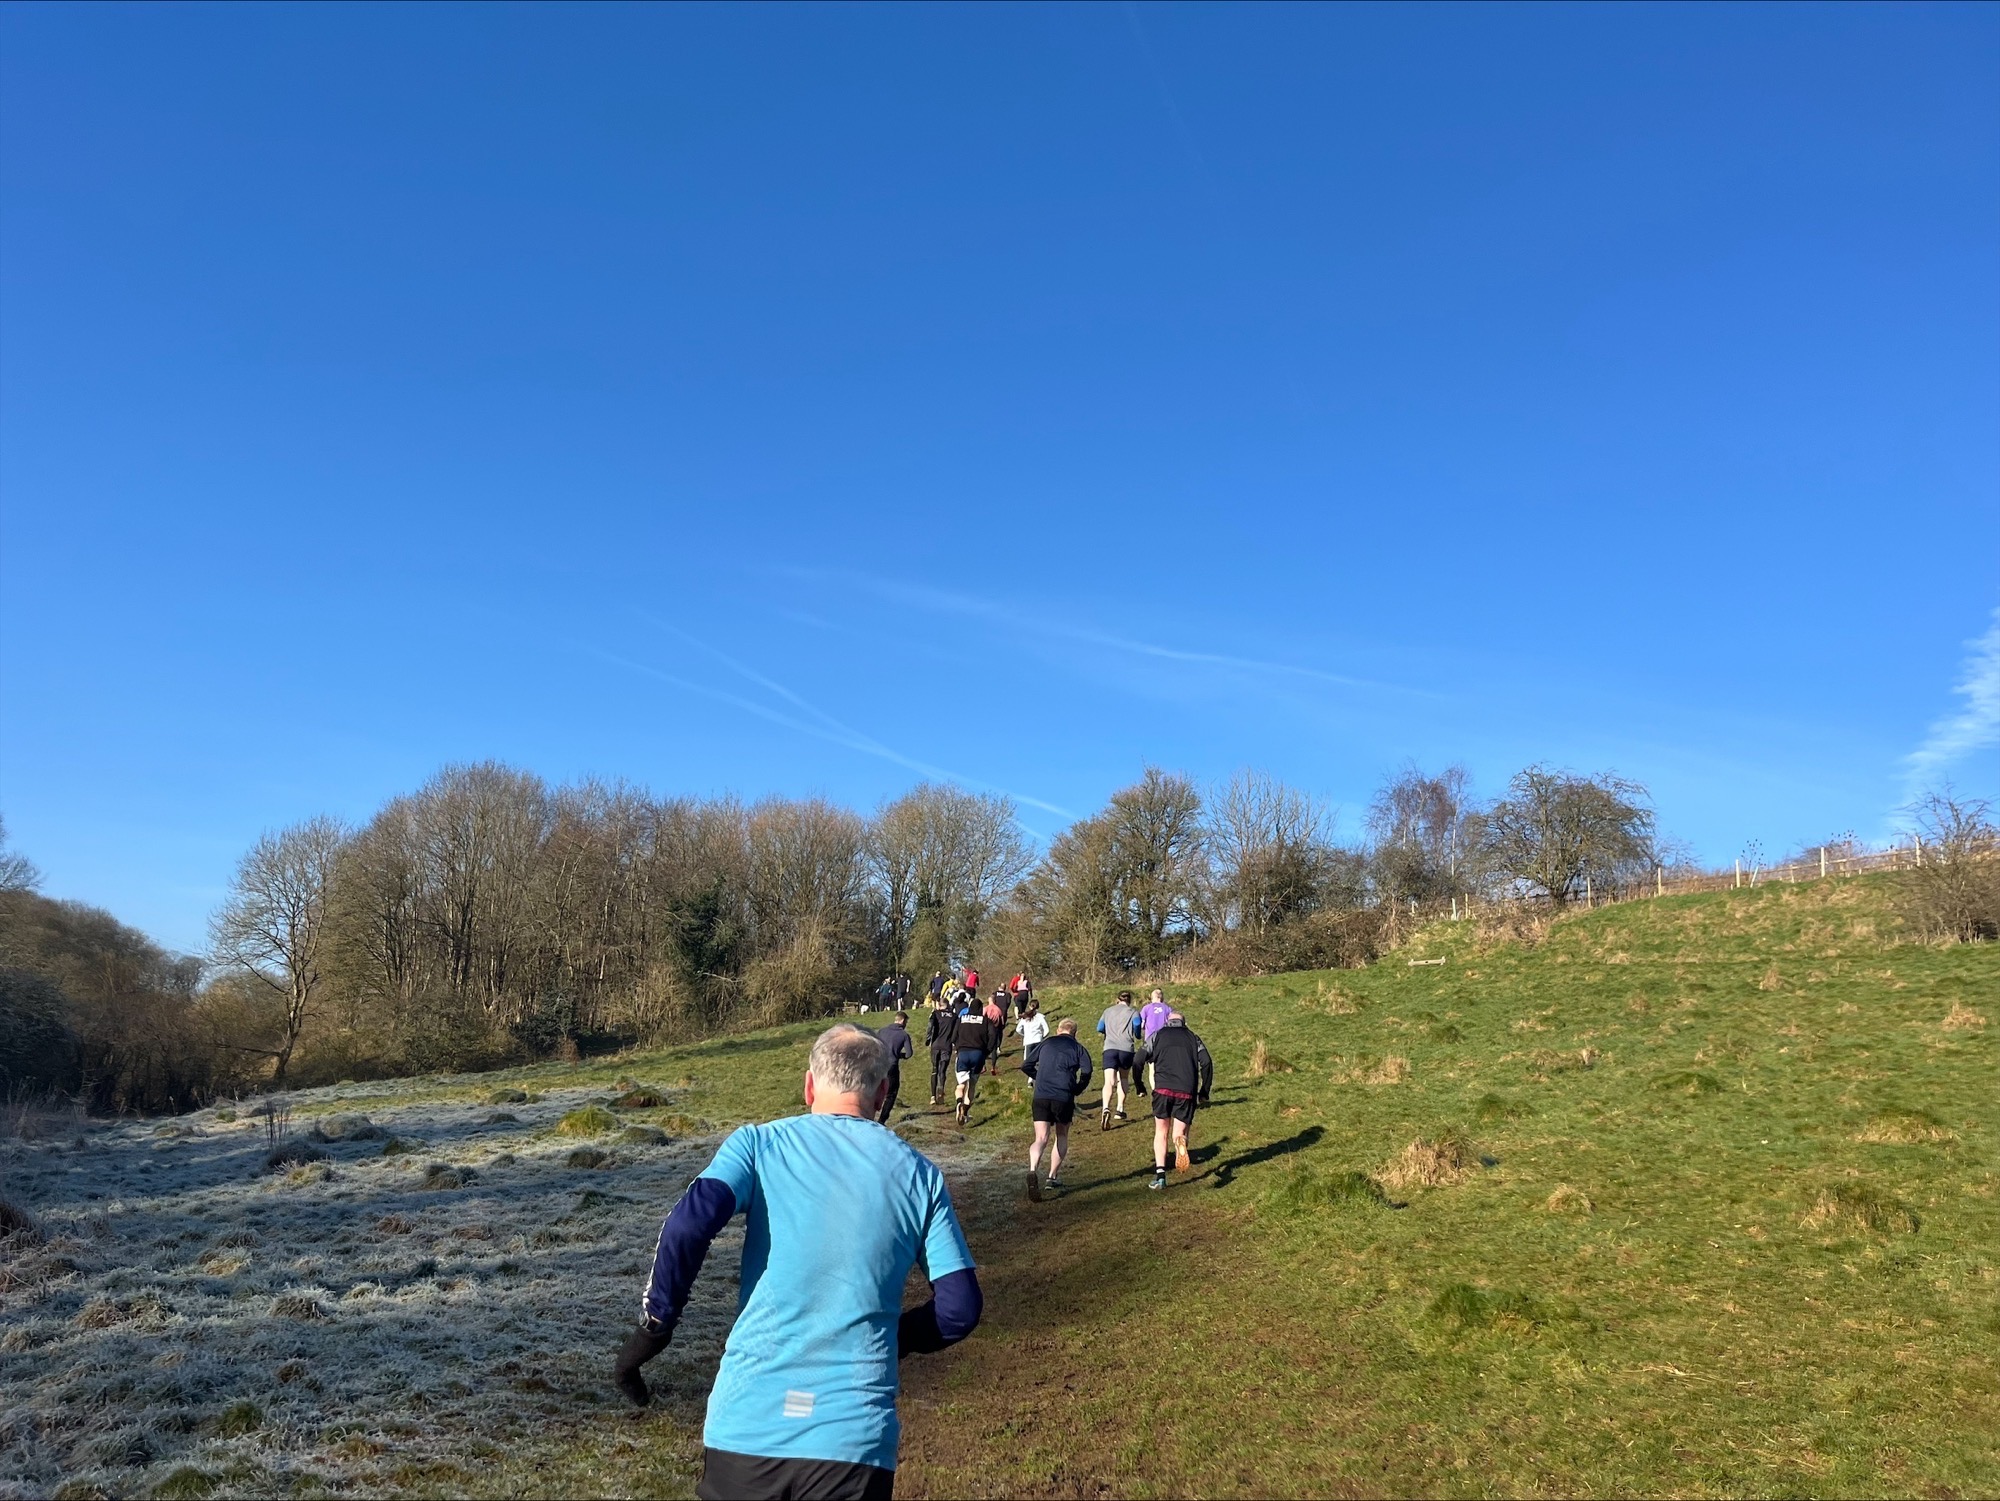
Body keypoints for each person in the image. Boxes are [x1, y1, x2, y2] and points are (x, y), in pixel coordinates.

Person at [612, 1024, 981, 1501]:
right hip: (852, 1441)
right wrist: (894, 1338)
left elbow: (687, 1225)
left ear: (809, 1085)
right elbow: (960, 1309)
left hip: (747, 1425)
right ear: (882, 1093)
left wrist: (652, 1331)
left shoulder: (756, 1145)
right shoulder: (921, 1176)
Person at [1137, 1010, 1212, 1190]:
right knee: (1178, 1132)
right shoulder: (1193, 1038)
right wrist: (1204, 1091)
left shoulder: (1157, 1035)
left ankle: (1160, 1175)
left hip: (1162, 1089)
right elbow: (1207, 1062)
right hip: (1186, 1091)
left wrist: (1139, 1084)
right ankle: (1180, 1142)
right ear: (1184, 1023)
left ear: (1167, 1022)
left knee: (1161, 1132)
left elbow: (1138, 1059)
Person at [1025, 1018, 1093, 1201]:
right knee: (1061, 1135)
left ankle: (1032, 1169)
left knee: (1040, 1137)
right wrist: (1077, 1088)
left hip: (1041, 1095)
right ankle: (1051, 1177)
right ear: (1074, 1033)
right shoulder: (1078, 1048)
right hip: (1063, 1096)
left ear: (1058, 1030)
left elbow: (1026, 1065)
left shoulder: (1046, 1043)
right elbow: (1087, 1071)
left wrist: (1038, 1077)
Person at [1094, 990, 1141, 1130]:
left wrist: (1107, 1032)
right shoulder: (1133, 1012)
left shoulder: (1107, 1011)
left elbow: (1100, 1027)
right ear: (1130, 1000)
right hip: (1126, 1048)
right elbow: (1137, 1025)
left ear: (1117, 999)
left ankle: (1106, 1108)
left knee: (1108, 1081)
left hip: (1110, 1048)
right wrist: (1137, 1035)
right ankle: (1120, 1109)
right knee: (1123, 1078)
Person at [952, 998, 990, 1126]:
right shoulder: (985, 1020)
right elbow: (993, 1036)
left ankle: (958, 1104)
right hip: (978, 1054)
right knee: (972, 1085)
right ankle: (965, 1111)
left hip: (963, 1053)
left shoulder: (961, 1019)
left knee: (961, 1085)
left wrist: (957, 1048)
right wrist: (986, 1052)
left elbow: (953, 1037)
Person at [874, 1012, 914, 1124]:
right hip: (892, 1066)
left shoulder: (882, 1031)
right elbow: (909, 1053)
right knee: (891, 1094)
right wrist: (899, 1055)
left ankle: (869, 1114)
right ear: (902, 1021)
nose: (906, 1024)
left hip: (878, 1064)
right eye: (906, 1022)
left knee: (875, 1089)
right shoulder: (904, 1035)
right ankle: (882, 1120)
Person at [924, 997, 956, 1106]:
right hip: (946, 1046)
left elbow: (930, 1026)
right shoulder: (954, 1016)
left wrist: (928, 1038)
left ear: (940, 1005)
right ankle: (941, 1090)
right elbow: (956, 1032)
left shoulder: (936, 1014)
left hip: (936, 1045)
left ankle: (933, 1097)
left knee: (934, 1070)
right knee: (942, 1071)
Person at [1013, 998, 1048, 1079]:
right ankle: (1041, 1077)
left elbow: (1018, 1029)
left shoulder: (1025, 1017)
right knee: (1039, 1061)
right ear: (1038, 1007)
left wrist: (1024, 1034)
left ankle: (1030, 1080)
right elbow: (1047, 1030)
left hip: (1028, 1041)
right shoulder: (1041, 1017)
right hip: (1038, 1041)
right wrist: (1042, 1036)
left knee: (1027, 1063)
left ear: (1029, 1006)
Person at [981, 989, 1006, 1076]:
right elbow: (1002, 1022)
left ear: (989, 1000)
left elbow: (981, 1019)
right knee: (994, 1049)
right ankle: (993, 1067)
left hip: (986, 1030)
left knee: (983, 1048)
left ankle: (983, 1066)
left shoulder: (985, 1009)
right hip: (995, 1029)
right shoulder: (998, 1009)